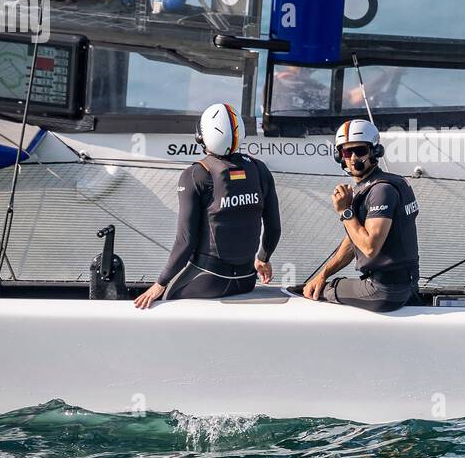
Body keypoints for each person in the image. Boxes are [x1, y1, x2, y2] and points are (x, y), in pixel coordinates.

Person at [135, 102, 280, 307]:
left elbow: (185, 241)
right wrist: (263, 258)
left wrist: (161, 283)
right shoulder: (259, 169)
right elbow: (274, 228)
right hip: (246, 280)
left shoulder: (195, 174)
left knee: (166, 298)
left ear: (201, 137)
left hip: (209, 280)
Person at [301, 118, 421, 312]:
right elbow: (352, 242)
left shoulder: (381, 191)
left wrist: (345, 211)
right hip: (405, 287)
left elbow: (369, 247)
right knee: (321, 282)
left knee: (320, 291)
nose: (354, 158)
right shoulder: (391, 183)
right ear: (340, 156)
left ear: (375, 151)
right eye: (347, 152)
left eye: (360, 150)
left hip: (383, 291)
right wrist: (323, 274)